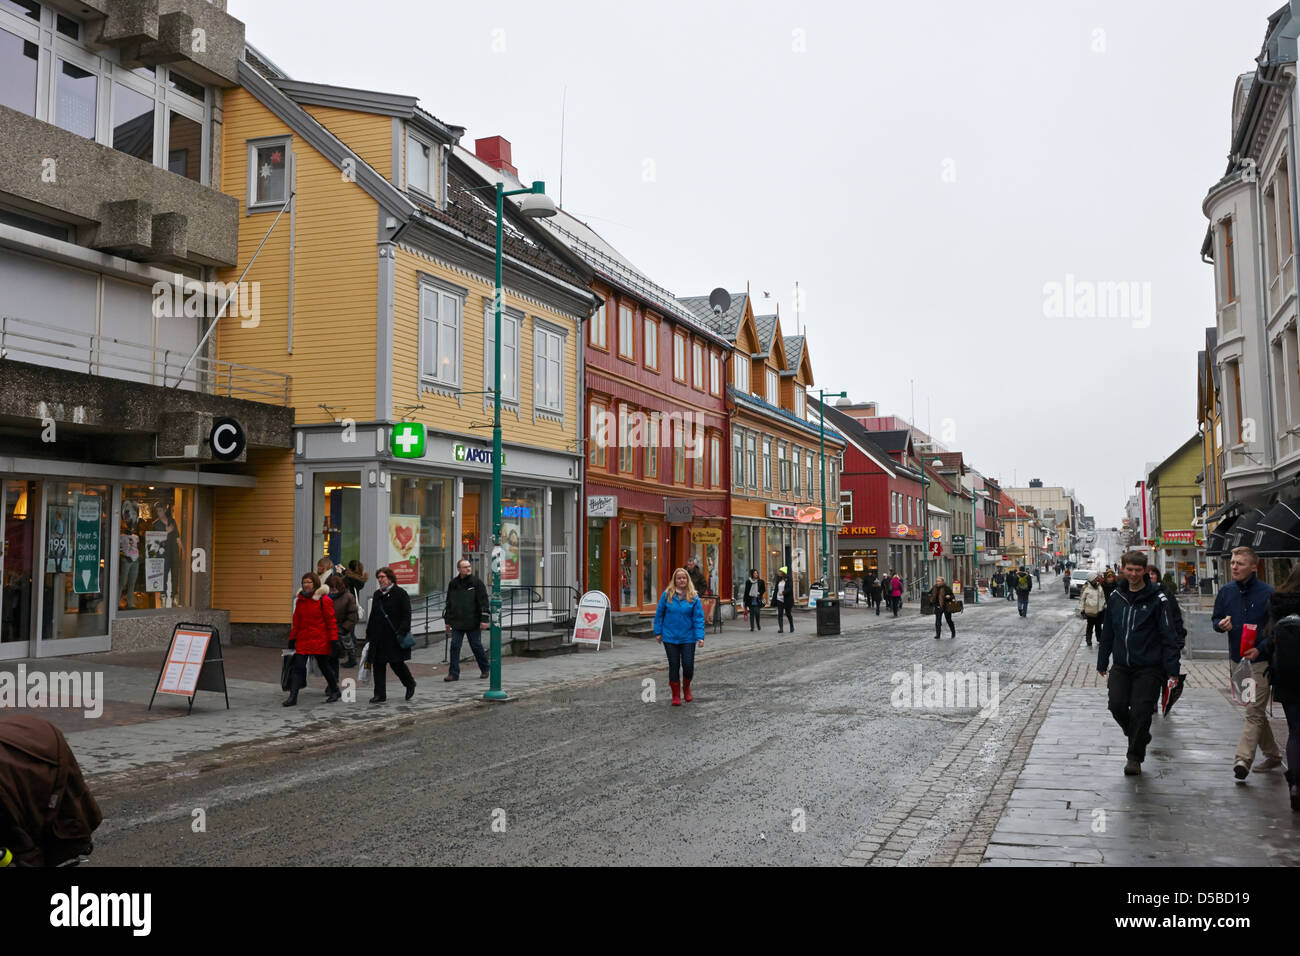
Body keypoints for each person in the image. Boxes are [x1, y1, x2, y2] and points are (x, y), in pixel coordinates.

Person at [1097, 551, 1182, 775]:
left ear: (1145, 571)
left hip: (1149, 667)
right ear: (1122, 569)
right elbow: (1108, 632)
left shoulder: (1157, 599)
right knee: (1116, 705)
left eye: (1138, 570)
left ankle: (1134, 757)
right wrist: (1102, 660)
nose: (1133, 574)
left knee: (1141, 711)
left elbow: (1168, 635)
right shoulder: (1116, 597)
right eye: (1129, 569)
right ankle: (1138, 734)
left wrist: (1173, 670)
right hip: (1122, 665)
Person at [1212, 546, 1281, 780]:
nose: (1234, 567)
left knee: (1253, 711)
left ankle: (1242, 760)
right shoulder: (1226, 592)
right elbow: (1215, 618)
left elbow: (1275, 629)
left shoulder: (1268, 593)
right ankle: (1273, 755)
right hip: (1237, 661)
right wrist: (1220, 624)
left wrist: (1260, 648)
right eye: (1232, 562)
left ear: (1254, 567)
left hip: (1260, 662)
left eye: (1240, 563)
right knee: (1253, 709)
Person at [1265, 565, 1300, 811]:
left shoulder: (1280, 602)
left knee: (1296, 732)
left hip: (1287, 680)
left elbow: (1270, 640)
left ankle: (1296, 784)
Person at [285, 571, 341, 707]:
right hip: (303, 639)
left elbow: (331, 621)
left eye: (309, 582)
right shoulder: (300, 601)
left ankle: (335, 689)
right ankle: (293, 696)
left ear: (315, 584)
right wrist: (292, 638)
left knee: (324, 666)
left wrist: (334, 640)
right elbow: (296, 621)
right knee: (298, 667)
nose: (306, 585)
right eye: (304, 582)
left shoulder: (324, 600)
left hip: (320, 640)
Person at [654, 567, 705, 706]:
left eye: (684, 578)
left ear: (687, 580)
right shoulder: (667, 595)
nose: (682, 580)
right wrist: (658, 632)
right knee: (674, 665)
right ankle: (675, 695)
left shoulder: (693, 596)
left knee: (688, 666)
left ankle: (686, 687)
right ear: (675, 580)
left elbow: (699, 618)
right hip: (670, 637)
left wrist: (700, 636)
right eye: (679, 578)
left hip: (688, 637)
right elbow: (659, 614)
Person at [365, 565, 416, 703]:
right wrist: (369, 634)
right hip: (378, 637)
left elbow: (407, 614)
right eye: (379, 577)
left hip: (394, 636)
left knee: (397, 664)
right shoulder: (377, 594)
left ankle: (410, 684)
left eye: (383, 577)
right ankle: (380, 694)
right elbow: (373, 615)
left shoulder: (400, 593)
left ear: (390, 577)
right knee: (378, 664)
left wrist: (402, 631)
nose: (380, 580)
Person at [443, 558, 490, 681]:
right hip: (457, 622)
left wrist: (484, 619)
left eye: (469, 566)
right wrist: (447, 621)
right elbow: (449, 603)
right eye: (465, 567)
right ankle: (453, 674)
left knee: (476, 646)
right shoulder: (453, 583)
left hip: (473, 621)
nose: (468, 568)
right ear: (459, 569)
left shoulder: (476, 583)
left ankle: (485, 669)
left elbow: (484, 602)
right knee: (454, 646)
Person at [325, 572, 359, 668]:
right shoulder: (325, 597)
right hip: (330, 627)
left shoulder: (348, 597)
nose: (332, 590)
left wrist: (344, 628)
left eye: (334, 587)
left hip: (342, 626)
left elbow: (353, 615)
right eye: (330, 587)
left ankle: (352, 659)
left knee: (348, 644)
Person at [1079, 572, 1105, 647]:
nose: (1096, 580)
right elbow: (1082, 599)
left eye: (1096, 578)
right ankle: (1088, 640)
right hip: (1090, 611)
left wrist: (1104, 605)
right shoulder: (1086, 587)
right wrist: (1082, 609)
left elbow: (1102, 597)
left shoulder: (1099, 586)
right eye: (1095, 578)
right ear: (1091, 579)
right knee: (1090, 626)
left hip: (1099, 610)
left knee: (1098, 626)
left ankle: (1099, 639)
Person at [772, 566, 795, 633]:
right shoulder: (778, 580)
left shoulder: (789, 579)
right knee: (780, 614)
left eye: (779, 571)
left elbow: (790, 588)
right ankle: (781, 629)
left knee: (788, 614)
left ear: (783, 573)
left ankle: (791, 626)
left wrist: (783, 593)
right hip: (779, 599)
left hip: (787, 599)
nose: (778, 573)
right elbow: (776, 589)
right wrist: (774, 598)